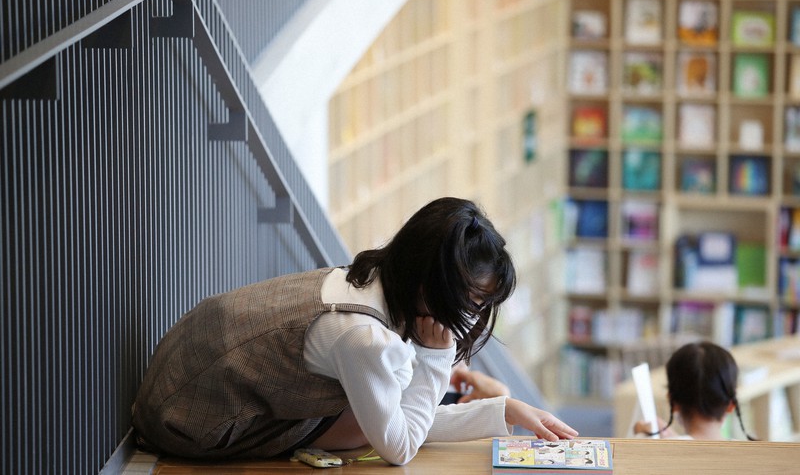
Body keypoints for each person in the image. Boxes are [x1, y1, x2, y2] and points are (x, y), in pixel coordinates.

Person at [131, 197, 578, 465]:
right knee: (362, 430)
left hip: (179, 383)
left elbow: (394, 416)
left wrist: (505, 411)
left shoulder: (367, 279)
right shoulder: (367, 338)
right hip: (184, 422)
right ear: (434, 284)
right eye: (474, 299)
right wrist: (438, 358)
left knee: (375, 413)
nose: (473, 312)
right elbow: (399, 446)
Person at [633, 340, 756, 441]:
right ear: (731, 405)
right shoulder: (747, 458)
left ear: (672, 401)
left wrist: (639, 432)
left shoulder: (660, 454)